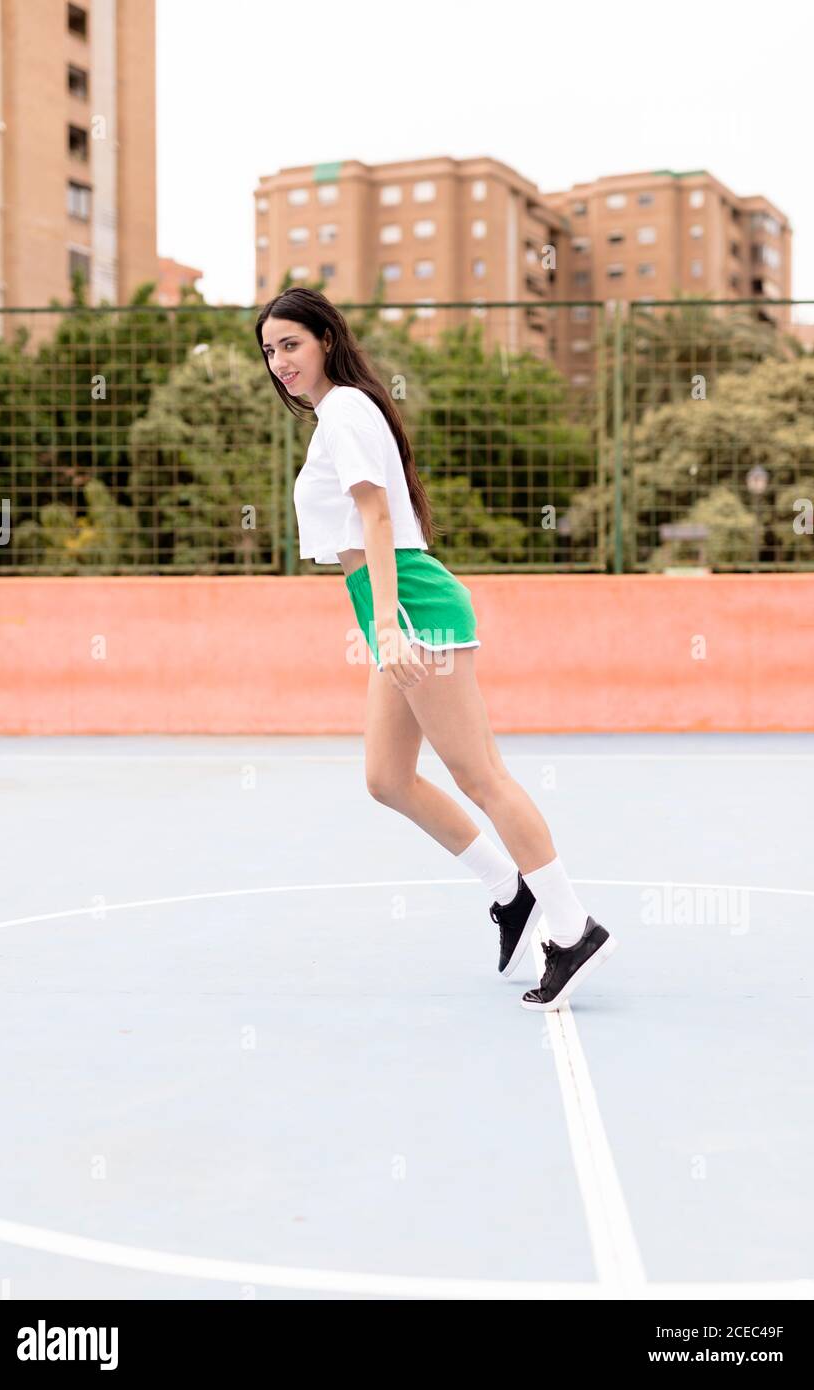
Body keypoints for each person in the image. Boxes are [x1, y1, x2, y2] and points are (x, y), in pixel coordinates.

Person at [255, 288, 618, 1011]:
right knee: (388, 777)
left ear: (326, 339)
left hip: (412, 603)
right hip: (389, 603)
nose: (280, 361)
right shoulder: (339, 414)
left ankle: (572, 927)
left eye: (290, 343)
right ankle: (510, 894)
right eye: (269, 351)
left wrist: (390, 626)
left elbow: (377, 515)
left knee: (481, 775)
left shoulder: (348, 410)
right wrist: (379, 620)